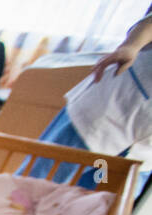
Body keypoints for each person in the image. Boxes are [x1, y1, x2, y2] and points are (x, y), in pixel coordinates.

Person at [24, 8, 152, 190]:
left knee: (95, 203)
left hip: (141, 149)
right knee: (34, 185)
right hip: (110, 108)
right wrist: (130, 46)